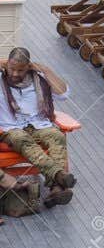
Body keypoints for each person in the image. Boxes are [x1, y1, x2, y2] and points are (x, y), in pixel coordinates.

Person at [0, 50, 76, 208]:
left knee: (57, 136)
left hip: (38, 124)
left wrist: (46, 70)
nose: (15, 73)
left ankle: (56, 189)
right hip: (11, 128)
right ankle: (58, 176)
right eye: (12, 68)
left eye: (20, 70)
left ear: (28, 67)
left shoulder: (39, 79)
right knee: (21, 139)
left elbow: (64, 94)